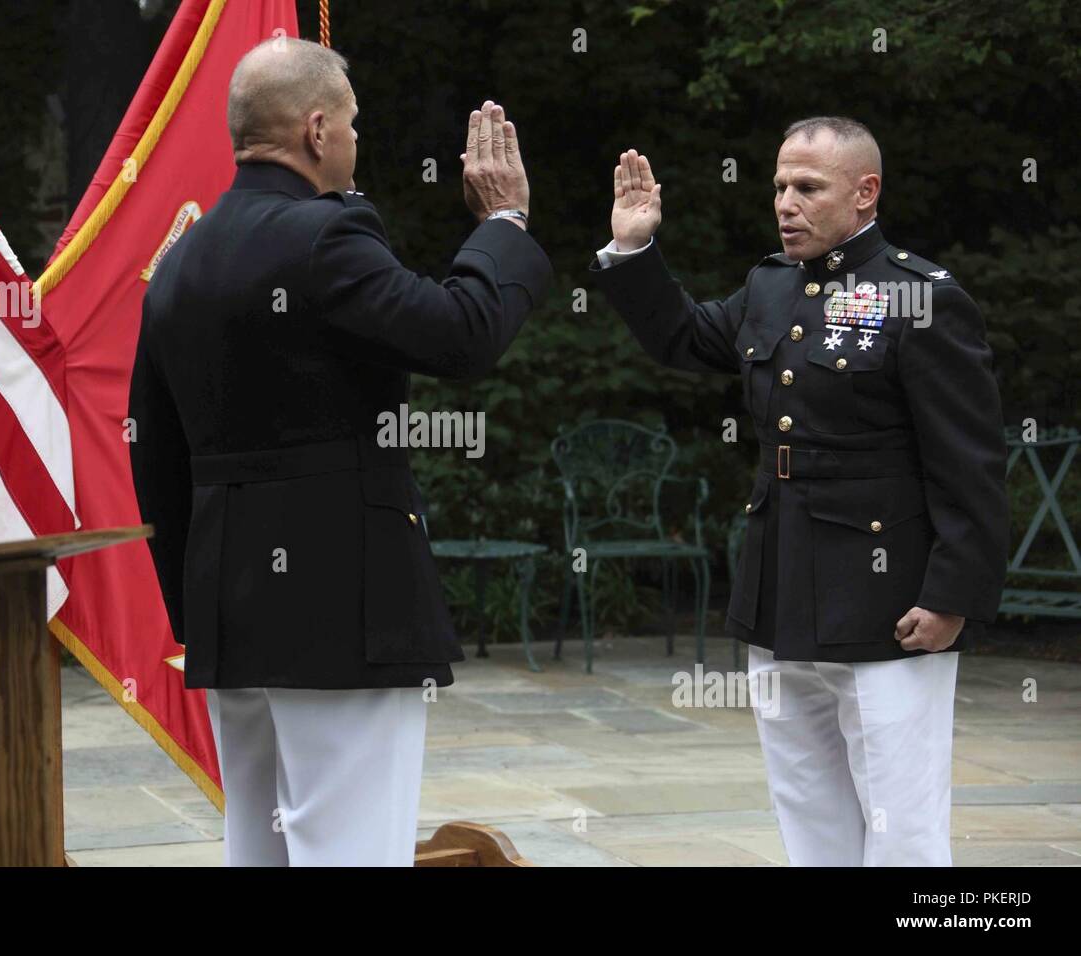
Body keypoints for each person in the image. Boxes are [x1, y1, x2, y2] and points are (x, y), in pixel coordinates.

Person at [127, 36, 551, 866]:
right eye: (353, 124)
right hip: (343, 600)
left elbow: (156, 453)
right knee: (353, 848)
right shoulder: (324, 235)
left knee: (259, 846)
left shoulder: (180, 261)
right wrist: (504, 224)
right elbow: (460, 335)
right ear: (318, 131)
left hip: (228, 606)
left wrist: (196, 607)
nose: (359, 141)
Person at [589, 117, 1008, 865]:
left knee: (899, 819)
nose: (786, 202)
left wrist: (953, 595)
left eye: (808, 187)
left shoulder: (918, 296)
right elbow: (684, 337)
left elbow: (969, 462)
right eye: (780, 185)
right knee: (807, 806)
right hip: (782, 580)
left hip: (888, 596)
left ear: (865, 193)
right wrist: (633, 249)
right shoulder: (770, 285)